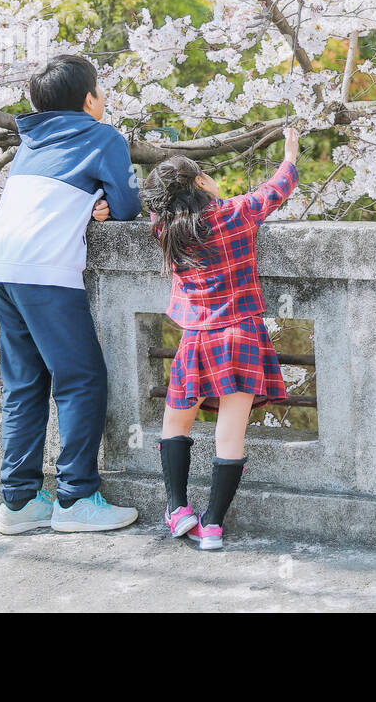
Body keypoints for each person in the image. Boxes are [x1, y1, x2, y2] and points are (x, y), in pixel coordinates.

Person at [0, 53, 142, 534]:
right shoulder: (104, 136)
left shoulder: (29, 141)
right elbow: (130, 203)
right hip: (44, 269)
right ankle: (75, 499)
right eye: (101, 91)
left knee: (25, 383)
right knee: (81, 379)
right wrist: (108, 202)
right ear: (90, 100)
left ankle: (20, 502)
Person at [141, 128, 299, 550]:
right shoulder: (236, 213)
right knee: (230, 435)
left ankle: (177, 509)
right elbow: (277, 188)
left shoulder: (166, 230)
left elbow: (159, 206)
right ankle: (212, 525)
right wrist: (290, 153)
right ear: (200, 184)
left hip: (196, 339)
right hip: (242, 335)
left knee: (176, 423)